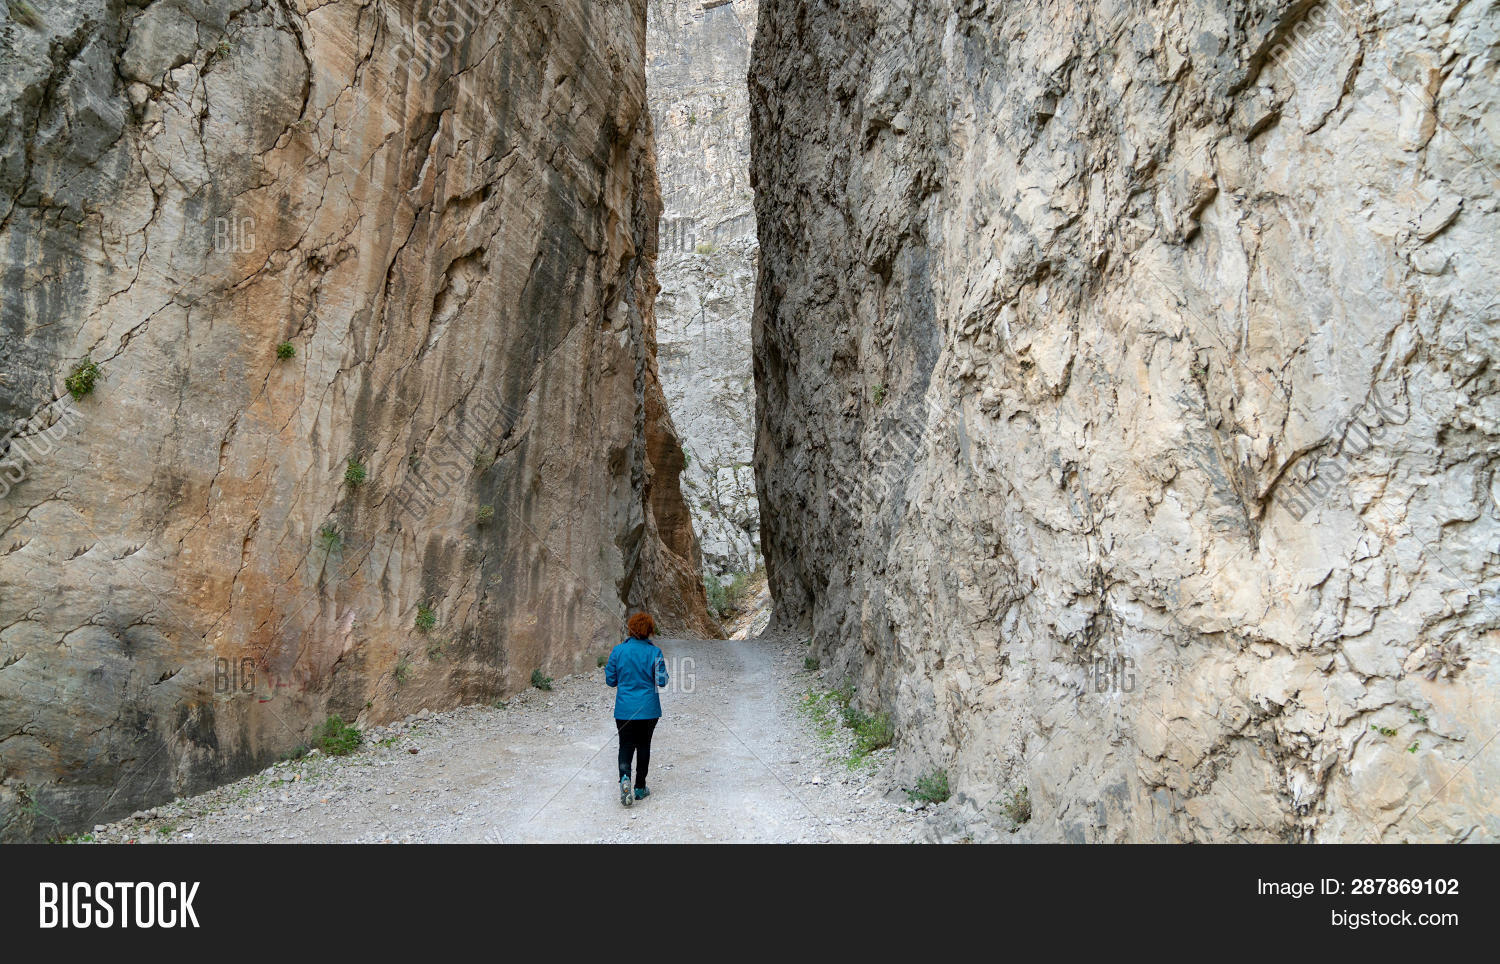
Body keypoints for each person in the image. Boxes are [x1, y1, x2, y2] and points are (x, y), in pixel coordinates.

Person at [604, 612, 669, 807]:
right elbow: (662, 681)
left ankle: (625, 779)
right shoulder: (654, 652)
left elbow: (610, 680)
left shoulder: (618, 651)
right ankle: (640, 788)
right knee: (643, 746)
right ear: (650, 631)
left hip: (624, 710)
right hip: (649, 710)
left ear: (630, 629)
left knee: (625, 745)